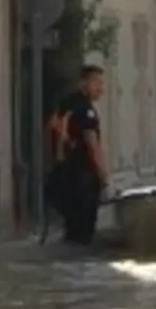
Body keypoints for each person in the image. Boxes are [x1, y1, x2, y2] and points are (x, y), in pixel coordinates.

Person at [52, 65, 107, 244]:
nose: (100, 88)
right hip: (83, 174)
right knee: (84, 231)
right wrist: (102, 173)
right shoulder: (85, 109)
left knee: (71, 229)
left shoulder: (66, 103)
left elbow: (53, 127)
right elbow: (92, 143)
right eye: (96, 83)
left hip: (64, 171)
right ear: (83, 83)